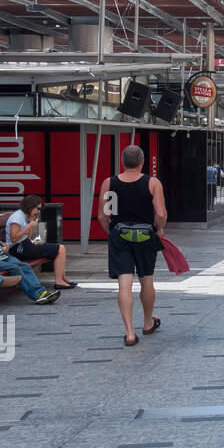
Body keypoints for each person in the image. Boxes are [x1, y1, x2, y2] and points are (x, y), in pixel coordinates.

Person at [97, 146, 168, 346]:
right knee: (146, 279)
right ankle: (147, 323)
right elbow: (161, 214)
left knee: (124, 283)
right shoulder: (152, 183)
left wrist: (110, 231)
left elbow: (103, 215)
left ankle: (129, 332)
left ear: (123, 161)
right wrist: (156, 229)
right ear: (142, 161)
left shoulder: (108, 183)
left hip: (119, 234)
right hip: (145, 236)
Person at [0, 199, 60, 306]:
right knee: (15, 268)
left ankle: (41, 292)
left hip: (0, 256)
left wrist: (1, 244)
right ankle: (37, 295)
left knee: (24, 266)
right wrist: (1, 249)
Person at [6, 195, 77, 289]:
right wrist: (29, 225)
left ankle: (62, 278)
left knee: (60, 248)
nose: (38, 212)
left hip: (24, 245)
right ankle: (59, 281)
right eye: (38, 208)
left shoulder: (25, 216)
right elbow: (13, 239)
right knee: (60, 249)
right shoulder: (17, 217)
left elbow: (29, 237)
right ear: (30, 206)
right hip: (17, 249)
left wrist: (31, 224)